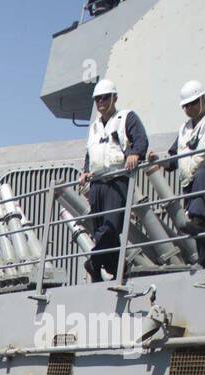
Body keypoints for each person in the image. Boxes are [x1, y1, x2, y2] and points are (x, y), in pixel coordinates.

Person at [148, 81, 205, 269]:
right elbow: (174, 159)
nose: (189, 108)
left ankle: (198, 222)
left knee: (199, 211)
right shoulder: (184, 129)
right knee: (199, 223)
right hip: (190, 179)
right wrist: (158, 160)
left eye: (193, 103)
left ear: (203, 99)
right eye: (186, 105)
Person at [79, 79, 148, 281]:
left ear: (114, 98)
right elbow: (90, 155)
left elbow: (141, 139)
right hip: (97, 183)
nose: (100, 102)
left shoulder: (126, 118)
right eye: (97, 99)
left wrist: (135, 153)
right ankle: (116, 267)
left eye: (104, 97)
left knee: (110, 227)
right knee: (101, 229)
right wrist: (85, 172)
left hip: (117, 180)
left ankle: (94, 262)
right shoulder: (94, 127)